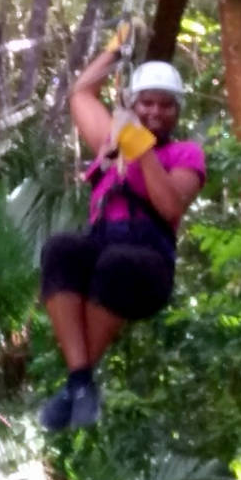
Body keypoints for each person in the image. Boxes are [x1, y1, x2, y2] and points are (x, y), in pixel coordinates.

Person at [36, 40, 206, 431]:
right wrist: (115, 49)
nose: (155, 112)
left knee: (119, 263)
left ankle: (78, 381)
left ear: (177, 110)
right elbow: (81, 92)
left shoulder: (185, 155)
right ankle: (79, 381)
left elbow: (171, 206)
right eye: (146, 103)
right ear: (132, 103)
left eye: (165, 105)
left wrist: (141, 150)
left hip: (148, 265)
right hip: (102, 247)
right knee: (60, 249)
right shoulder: (107, 144)